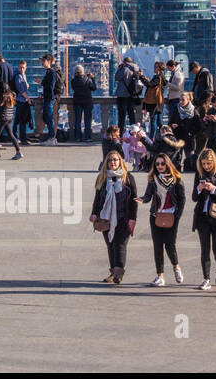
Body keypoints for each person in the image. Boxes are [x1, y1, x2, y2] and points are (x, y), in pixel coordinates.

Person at [137, 153, 186, 286]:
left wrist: (177, 216)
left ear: (167, 164)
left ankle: (176, 267)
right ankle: (160, 276)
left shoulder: (176, 179)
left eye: (162, 164)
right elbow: (148, 196)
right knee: (158, 246)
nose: (159, 166)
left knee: (170, 245)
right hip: (156, 215)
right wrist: (142, 199)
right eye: (157, 164)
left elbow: (182, 199)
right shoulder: (153, 179)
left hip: (171, 216)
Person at [90, 149, 137, 284]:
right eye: (110, 160)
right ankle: (113, 273)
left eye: (115, 160)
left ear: (120, 162)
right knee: (110, 245)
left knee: (120, 245)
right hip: (106, 218)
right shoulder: (103, 178)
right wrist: (94, 213)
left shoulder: (128, 178)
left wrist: (133, 218)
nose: (112, 162)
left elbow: (134, 200)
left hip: (123, 217)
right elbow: (98, 198)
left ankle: (118, 273)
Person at [192, 147, 216, 290]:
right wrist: (199, 189)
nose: (206, 166)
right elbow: (194, 198)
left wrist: (213, 189)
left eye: (208, 163)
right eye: (203, 164)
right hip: (202, 217)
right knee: (204, 249)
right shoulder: (199, 174)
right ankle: (206, 278)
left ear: (214, 161)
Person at [0, 89, 22, 160]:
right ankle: (18, 152)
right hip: (9, 118)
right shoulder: (11, 95)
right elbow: (14, 94)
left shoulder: (1, 97)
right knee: (11, 135)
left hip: (2, 118)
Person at [38, 54, 61, 143]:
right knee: (46, 116)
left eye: (43, 61)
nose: (42, 63)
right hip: (48, 97)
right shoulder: (48, 72)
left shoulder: (51, 72)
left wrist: (42, 83)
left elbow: (50, 86)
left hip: (49, 98)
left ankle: (52, 137)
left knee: (48, 117)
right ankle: (52, 137)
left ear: (49, 61)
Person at [70, 64, 96, 142]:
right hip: (87, 102)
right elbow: (94, 88)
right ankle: (87, 137)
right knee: (87, 121)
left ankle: (78, 137)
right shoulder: (88, 80)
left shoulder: (73, 81)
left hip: (77, 102)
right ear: (83, 72)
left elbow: (74, 88)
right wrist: (92, 78)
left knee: (78, 121)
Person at [142, 61, 167, 138]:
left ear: (159, 68)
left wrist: (142, 77)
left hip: (155, 102)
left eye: (156, 67)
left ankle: (151, 140)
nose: (154, 68)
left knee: (153, 122)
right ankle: (165, 137)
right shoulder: (161, 77)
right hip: (159, 101)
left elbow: (149, 85)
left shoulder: (158, 77)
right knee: (159, 122)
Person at [10, 60, 32, 142]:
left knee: (18, 120)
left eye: (23, 67)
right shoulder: (18, 77)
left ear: (26, 68)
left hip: (22, 100)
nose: (22, 69)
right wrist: (28, 99)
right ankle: (20, 138)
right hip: (20, 100)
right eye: (20, 67)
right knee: (21, 120)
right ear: (18, 67)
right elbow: (21, 90)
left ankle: (16, 137)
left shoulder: (24, 76)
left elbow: (24, 88)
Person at [166, 59, 186, 125]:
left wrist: (167, 83)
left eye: (169, 68)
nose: (168, 70)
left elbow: (178, 87)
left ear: (173, 66)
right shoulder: (175, 73)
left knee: (173, 117)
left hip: (176, 98)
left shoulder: (178, 73)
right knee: (172, 116)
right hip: (173, 98)